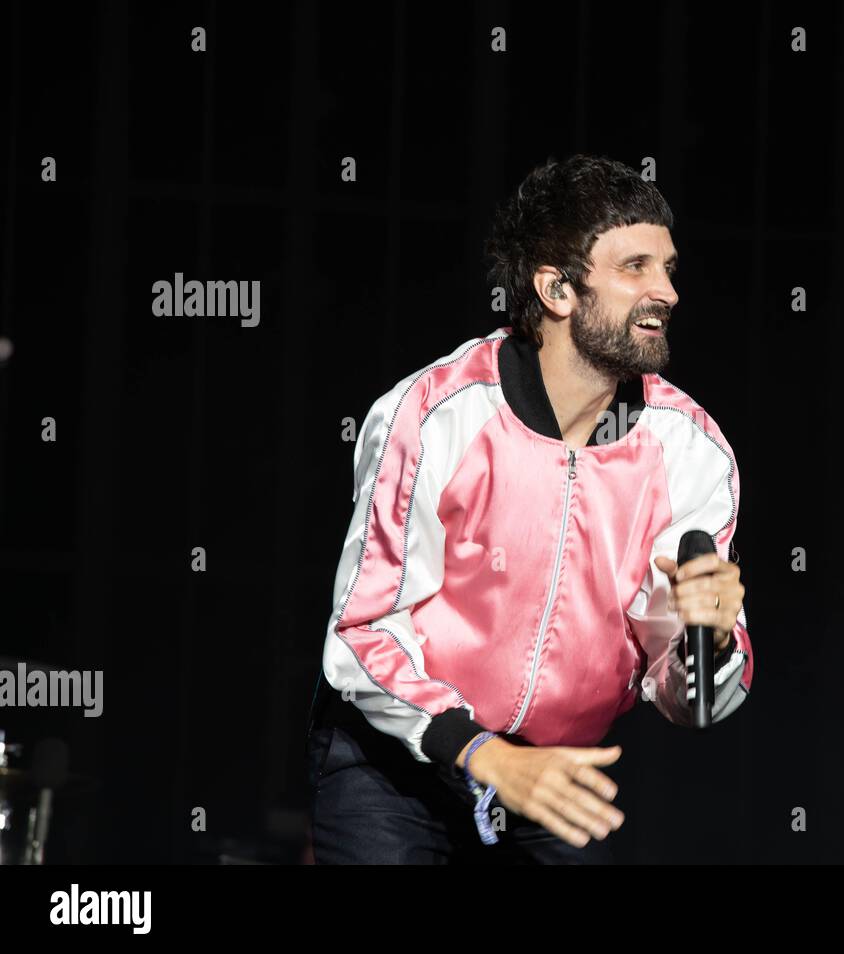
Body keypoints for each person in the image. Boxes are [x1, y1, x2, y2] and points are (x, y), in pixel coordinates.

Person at [305, 154, 755, 864]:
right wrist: (482, 754)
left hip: (554, 775)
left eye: (669, 268)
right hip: (398, 767)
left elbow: (686, 699)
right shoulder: (432, 416)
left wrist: (714, 642)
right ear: (556, 289)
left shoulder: (692, 451)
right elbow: (364, 632)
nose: (666, 291)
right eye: (635, 267)